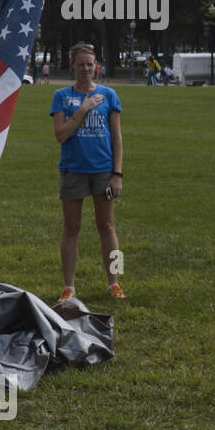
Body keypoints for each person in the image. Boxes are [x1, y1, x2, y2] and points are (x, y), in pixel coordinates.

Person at [51, 42, 125, 302]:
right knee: (72, 227)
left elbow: (117, 138)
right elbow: (60, 135)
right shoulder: (61, 96)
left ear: (97, 66)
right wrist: (82, 109)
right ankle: (69, 287)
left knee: (107, 226)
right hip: (73, 170)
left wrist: (117, 174)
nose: (85, 69)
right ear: (73, 65)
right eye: (81, 64)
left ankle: (114, 282)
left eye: (90, 64)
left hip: (103, 171)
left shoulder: (109, 95)